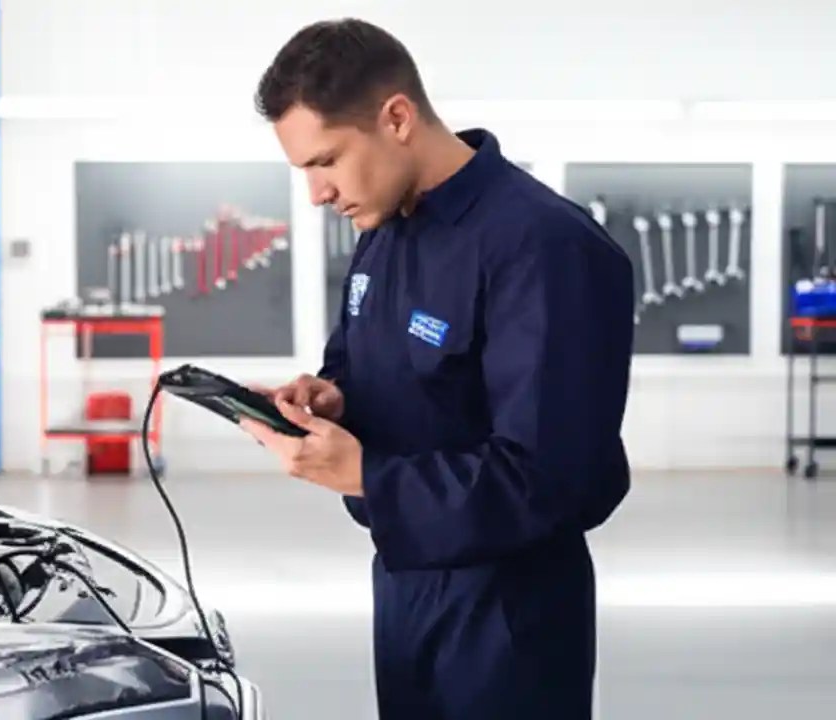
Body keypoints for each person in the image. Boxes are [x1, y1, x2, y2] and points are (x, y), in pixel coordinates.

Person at [240, 18, 635, 720]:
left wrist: (368, 476)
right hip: (405, 584)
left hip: (510, 613)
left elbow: (550, 477)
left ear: (396, 117)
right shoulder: (385, 232)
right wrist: (330, 398)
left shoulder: (543, 246)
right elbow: (362, 365)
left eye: (325, 160)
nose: (317, 194)